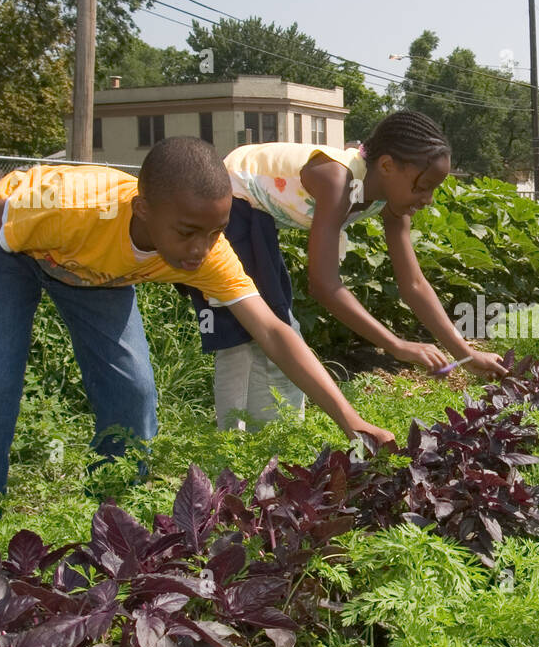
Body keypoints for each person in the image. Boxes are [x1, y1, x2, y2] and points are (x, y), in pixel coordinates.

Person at [0, 137, 395, 524]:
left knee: (133, 393)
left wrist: (350, 420)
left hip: (95, 274)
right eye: (187, 233)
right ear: (144, 210)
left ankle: (111, 517)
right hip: (15, 251)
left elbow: (274, 331)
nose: (200, 248)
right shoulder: (77, 212)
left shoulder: (207, 253)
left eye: (216, 232)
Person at [179, 110, 508, 431]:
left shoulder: (390, 204)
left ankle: (267, 438)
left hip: (258, 217)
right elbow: (323, 284)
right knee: (252, 332)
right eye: (422, 187)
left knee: (275, 327)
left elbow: (414, 284)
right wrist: (395, 344)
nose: (429, 199)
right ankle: (238, 441)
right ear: (388, 166)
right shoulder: (337, 179)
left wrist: (465, 356)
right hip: (229, 201)